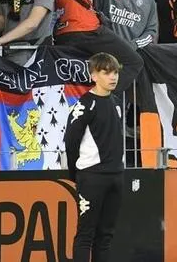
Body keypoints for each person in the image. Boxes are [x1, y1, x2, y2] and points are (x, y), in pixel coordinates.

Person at [64, 52, 126, 262]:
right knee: (85, 235)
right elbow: (70, 142)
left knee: (106, 236)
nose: (112, 77)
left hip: (116, 176)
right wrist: (76, 174)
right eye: (106, 72)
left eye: (115, 72)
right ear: (93, 75)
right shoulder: (84, 105)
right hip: (91, 177)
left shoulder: (116, 102)